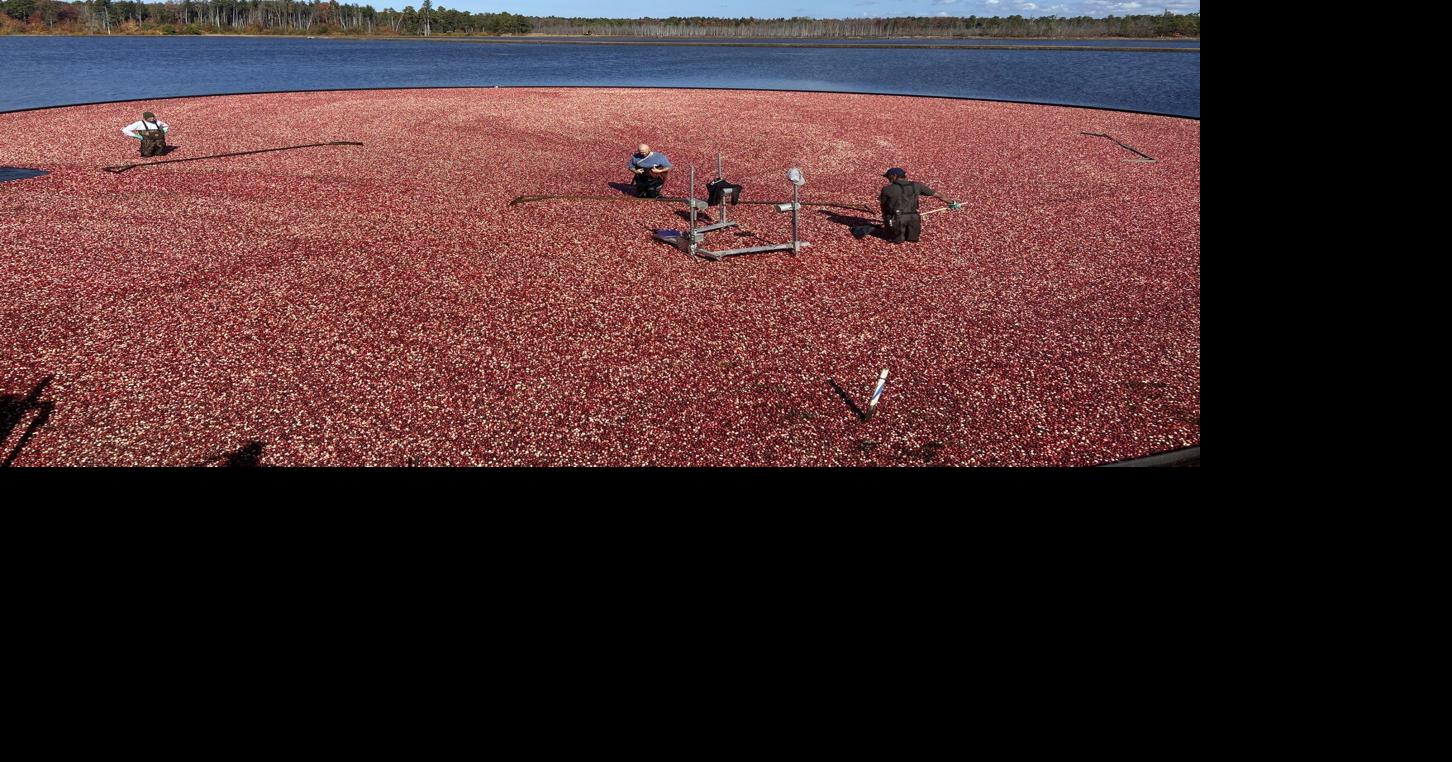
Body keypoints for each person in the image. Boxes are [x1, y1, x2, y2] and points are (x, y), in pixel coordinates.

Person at [878, 167, 936, 244]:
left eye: (888, 176)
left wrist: (886, 219)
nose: (888, 178)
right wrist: (952, 202)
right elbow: (937, 194)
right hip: (914, 219)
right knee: (912, 240)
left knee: (896, 240)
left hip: (896, 219)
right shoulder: (916, 185)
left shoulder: (887, 189)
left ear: (894, 176)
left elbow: (883, 206)